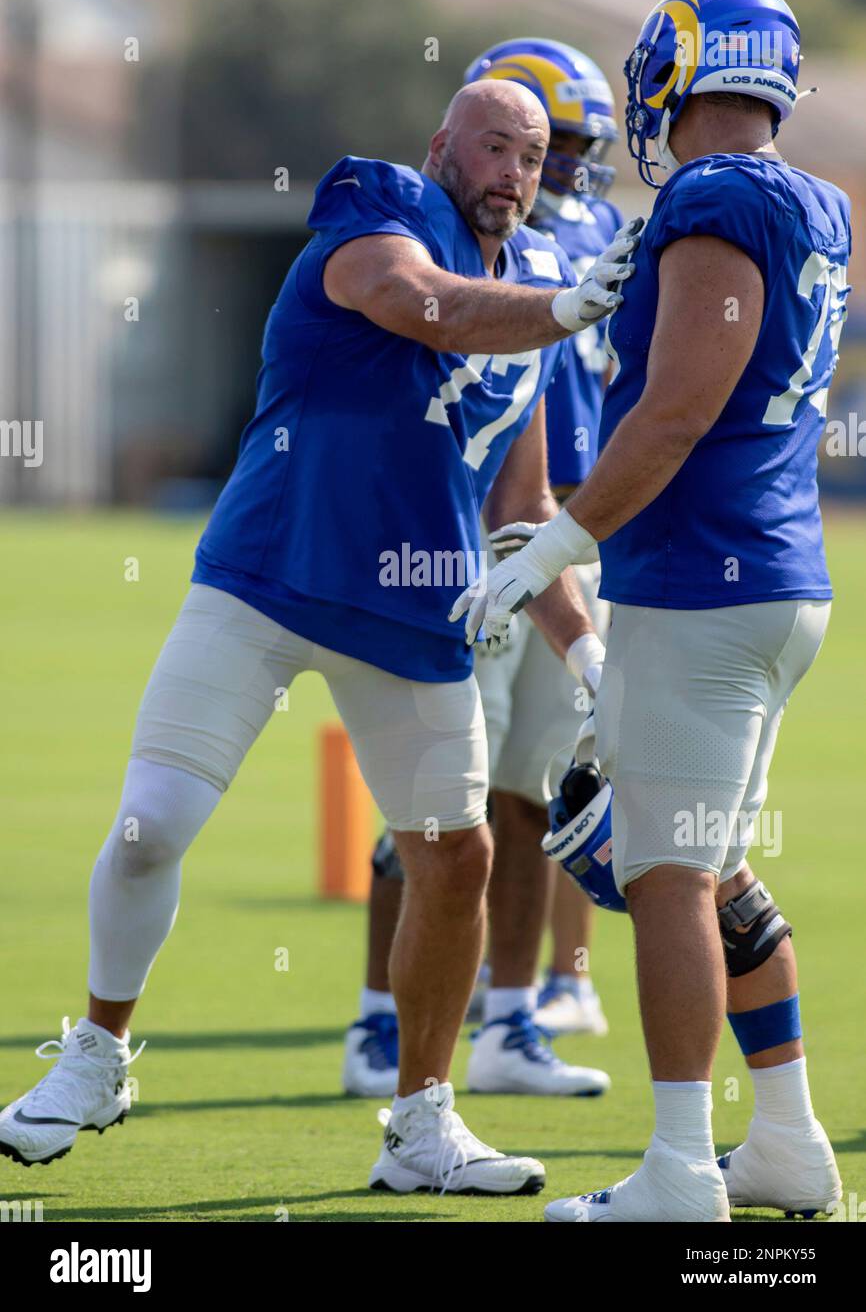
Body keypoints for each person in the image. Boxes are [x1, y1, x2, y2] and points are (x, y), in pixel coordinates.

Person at [0, 79, 640, 1197]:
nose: (511, 169)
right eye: (492, 145)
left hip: (413, 613)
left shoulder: (540, 291)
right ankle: (96, 1056)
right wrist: (560, 312)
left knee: (459, 857)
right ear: (443, 145)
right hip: (269, 576)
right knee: (154, 822)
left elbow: (521, 515)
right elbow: (414, 301)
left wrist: (585, 653)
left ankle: (421, 1124)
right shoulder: (382, 205)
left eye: (531, 157)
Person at [451, 0, 849, 1222]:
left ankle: (679, 1172)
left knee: (665, 879)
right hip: (777, 574)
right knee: (716, 867)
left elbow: (674, 413)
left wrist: (544, 547)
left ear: (676, 71)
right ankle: (783, 1140)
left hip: (699, 580)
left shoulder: (715, 197)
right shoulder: (817, 201)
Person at [343, 38, 623, 1102]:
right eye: (531, 150)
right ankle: (376, 1023)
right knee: (430, 803)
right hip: (454, 544)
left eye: (565, 149)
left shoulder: (590, 236)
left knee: (530, 796)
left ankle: (511, 1019)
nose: (557, 173)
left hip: (559, 535)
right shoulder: (431, 236)